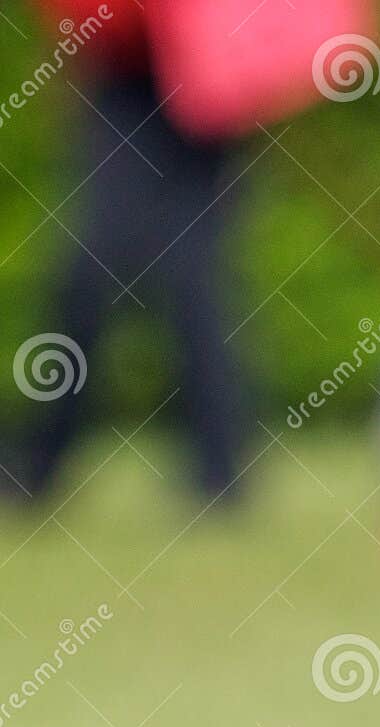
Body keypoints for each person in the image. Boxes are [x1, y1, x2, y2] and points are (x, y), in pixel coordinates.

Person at [6, 3, 249, 504]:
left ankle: (219, 474)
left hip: (206, 77)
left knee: (191, 282)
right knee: (93, 275)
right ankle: (37, 466)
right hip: (132, 80)